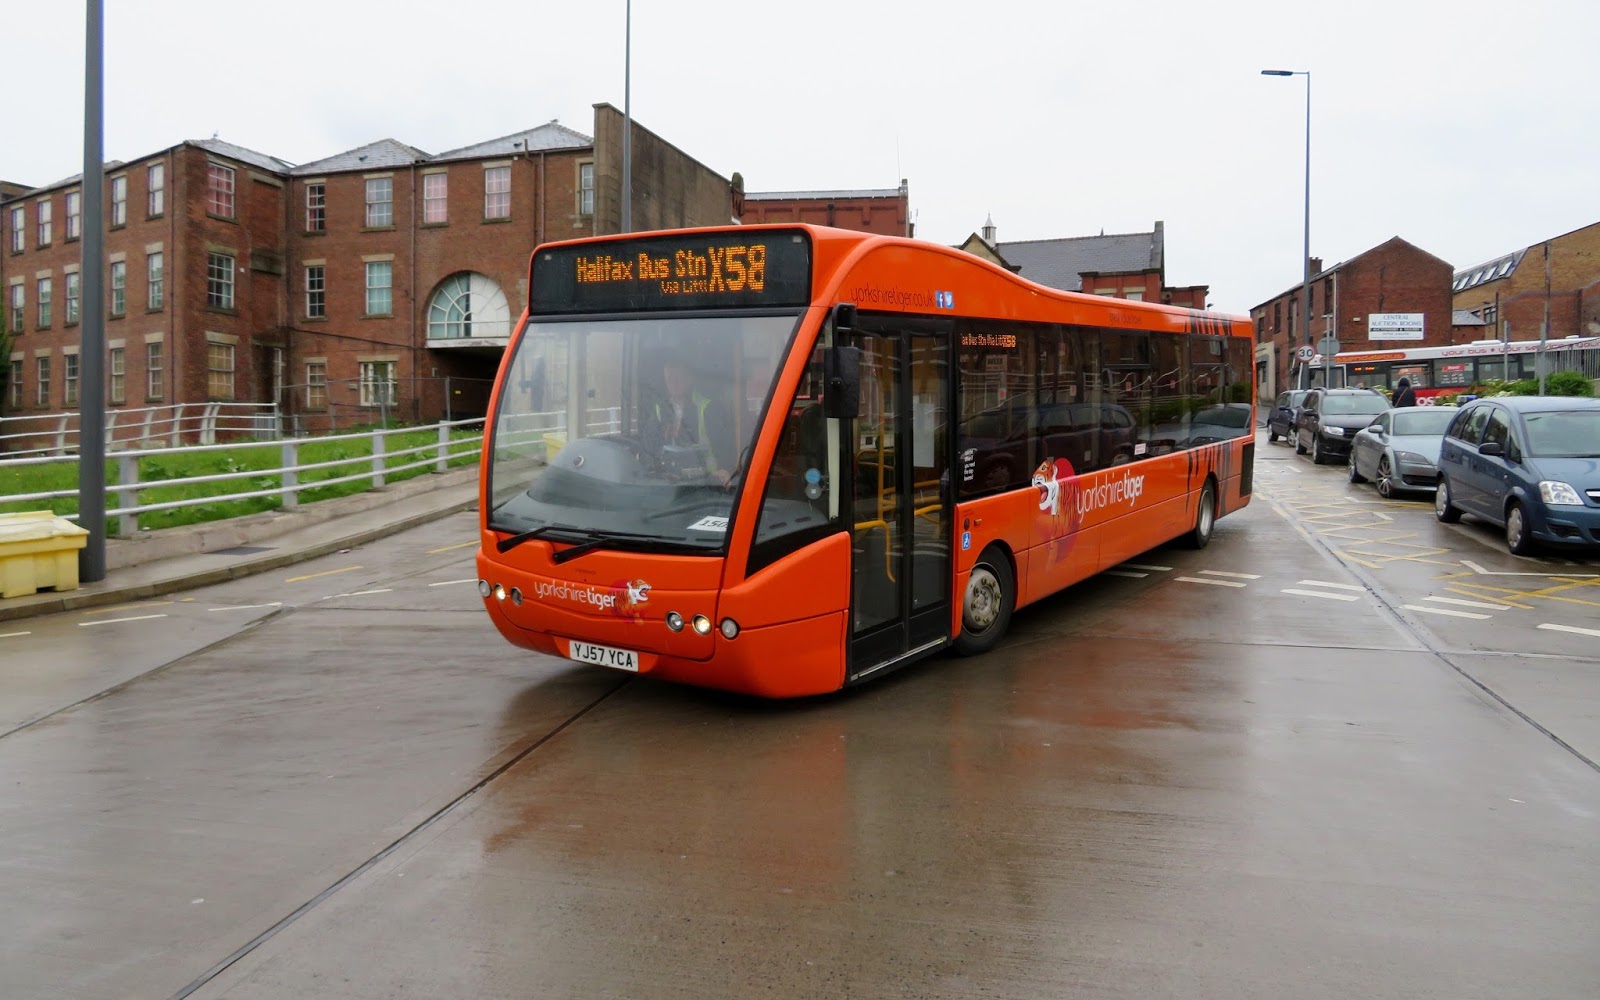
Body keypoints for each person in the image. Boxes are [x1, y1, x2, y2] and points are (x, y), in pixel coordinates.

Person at [648, 358, 731, 482]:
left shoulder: (708, 408)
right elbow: (649, 446)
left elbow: (725, 447)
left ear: (690, 379)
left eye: (679, 378)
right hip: (670, 481)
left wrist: (725, 470)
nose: (674, 383)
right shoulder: (659, 409)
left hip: (707, 481)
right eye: (669, 379)